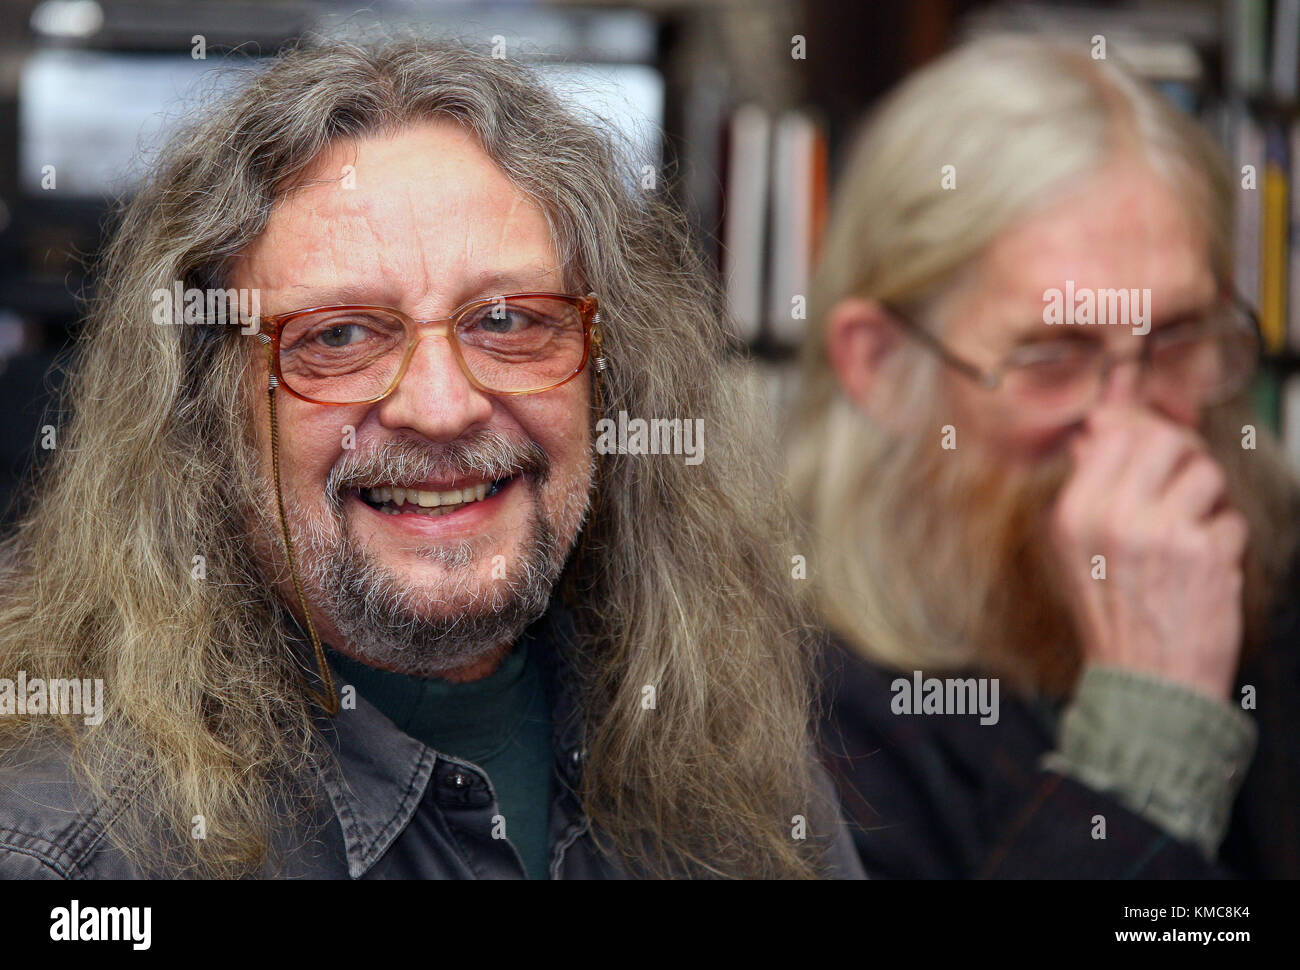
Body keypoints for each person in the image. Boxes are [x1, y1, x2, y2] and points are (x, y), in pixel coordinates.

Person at [0, 41, 860, 880]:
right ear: (200, 410)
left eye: (508, 321)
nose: (443, 408)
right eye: (338, 336)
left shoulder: (735, 762)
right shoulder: (76, 849)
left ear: (612, 375)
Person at [787, 34, 1300, 877]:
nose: (1129, 426)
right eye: (1053, 355)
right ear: (879, 364)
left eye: (1174, 339)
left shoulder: (1276, 575)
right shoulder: (791, 715)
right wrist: (1150, 740)